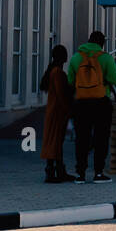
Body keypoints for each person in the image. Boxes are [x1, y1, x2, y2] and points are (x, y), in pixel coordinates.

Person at [67, 31, 116, 183]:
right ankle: (98, 173)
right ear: (102, 43)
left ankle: (80, 174)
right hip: (101, 102)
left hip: (81, 103)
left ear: (88, 41)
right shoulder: (106, 58)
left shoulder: (76, 58)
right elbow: (115, 78)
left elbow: (70, 81)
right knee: (101, 138)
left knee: (81, 138)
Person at [39, 44, 76, 183]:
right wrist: (69, 110)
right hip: (57, 112)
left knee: (54, 141)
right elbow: (62, 94)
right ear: (63, 57)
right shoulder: (58, 73)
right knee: (55, 141)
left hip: (53, 110)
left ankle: (57, 170)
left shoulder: (52, 71)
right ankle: (53, 172)